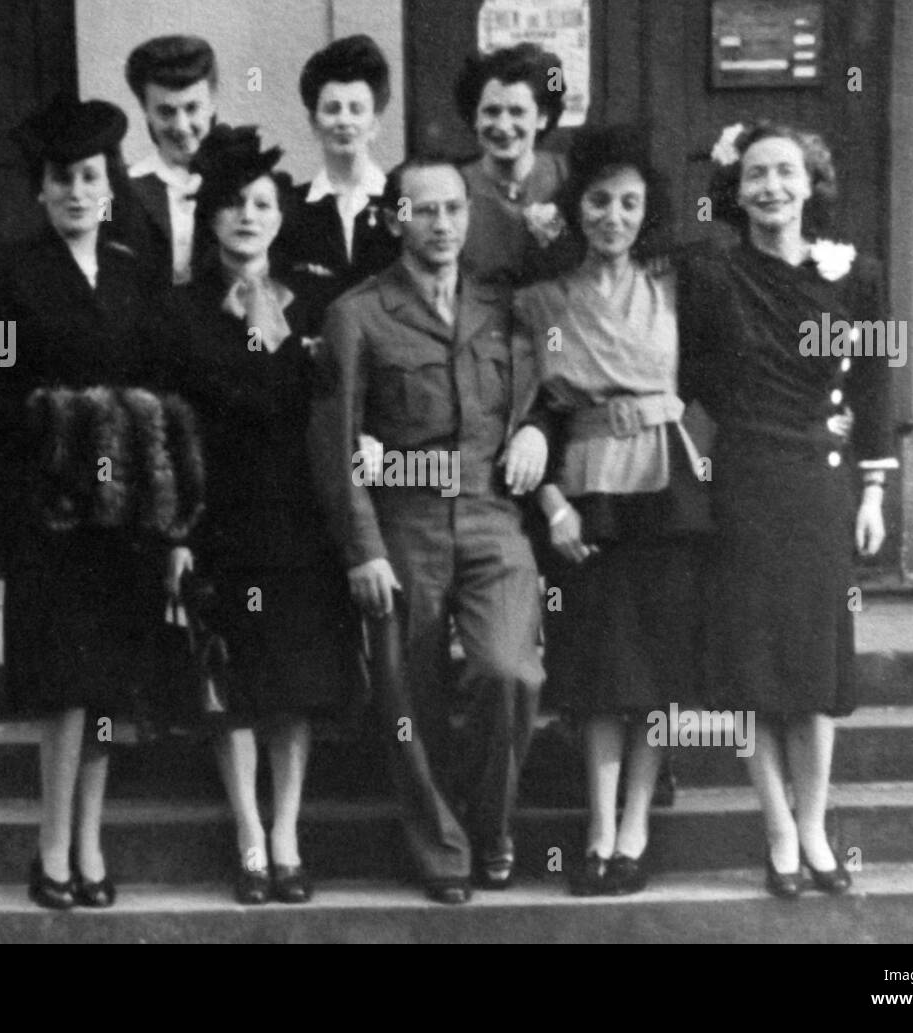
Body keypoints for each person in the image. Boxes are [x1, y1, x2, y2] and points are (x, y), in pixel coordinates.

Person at [0, 95, 202, 910]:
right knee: (62, 685)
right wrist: (65, 420)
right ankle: (50, 849)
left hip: (123, 521)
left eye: (90, 177)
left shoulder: (137, 270)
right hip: (48, 515)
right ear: (41, 188)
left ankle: (91, 843)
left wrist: (169, 517)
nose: (76, 191)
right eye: (61, 179)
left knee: (107, 689)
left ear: (109, 184)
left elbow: (164, 392)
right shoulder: (3, 269)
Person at [307, 155, 549, 905]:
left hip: (490, 517)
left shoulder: (503, 308)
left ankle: (492, 824)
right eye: (424, 210)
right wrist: (363, 549)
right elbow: (334, 442)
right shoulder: (358, 314)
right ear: (393, 219)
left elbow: (539, 394)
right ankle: (441, 847)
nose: (441, 224)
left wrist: (537, 428)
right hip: (403, 526)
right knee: (404, 697)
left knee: (510, 671)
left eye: (453, 209)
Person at [677, 121, 897, 898]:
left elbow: (873, 381)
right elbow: (689, 382)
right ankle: (775, 831)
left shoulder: (857, 274)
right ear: (735, 194)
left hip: (820, 484)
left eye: (786, 173)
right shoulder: (710, 278)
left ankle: (815, 827)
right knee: (752, 664)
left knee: (813, 662)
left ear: (811, 184)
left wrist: (873, 488)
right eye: (756, 176)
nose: (771, 187)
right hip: (743, 481)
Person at [166, 124, 365, 906]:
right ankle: (248, 832)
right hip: (222, 512)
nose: (248, 216)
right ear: (210, 219)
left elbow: (338, 400)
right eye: (233, 205)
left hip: (299, 512)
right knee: (235, 678)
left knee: (294, 676)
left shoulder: (313, 298)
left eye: (261, 203)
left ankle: (288, 830)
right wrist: (177, 533)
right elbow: (172, 426)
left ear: (279, 215)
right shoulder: (182, 312)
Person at [516, 126, 712, 896]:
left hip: (665, 492)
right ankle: (596, 829)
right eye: (599, 200)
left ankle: (635, 825)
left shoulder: (673, 289)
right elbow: (528, 412)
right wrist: (552, 502)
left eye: (630, 202)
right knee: (600, 669)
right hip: (589, 492)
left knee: (655, 666)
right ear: (576, 207)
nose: (614, 216)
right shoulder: (544, 302)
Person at [276, 34, 398, 310]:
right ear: (314, 123)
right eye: (332, 109)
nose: (344, 121)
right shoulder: (290, 208)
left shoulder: (400, 201)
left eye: (356, 110)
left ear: (375, 123)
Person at [453, 43, 577, 287]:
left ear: (542, 117)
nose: (503, 125)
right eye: (491, 111)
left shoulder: (569, 175)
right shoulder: (454, 184)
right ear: (474, 118)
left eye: (517, 111)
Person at [120, 35, 220, 284]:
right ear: (146, 111)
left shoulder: (243, 185)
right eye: (166, 112)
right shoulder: (120, 189)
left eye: (192, 108)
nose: (182, 126)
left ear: (212, 103)